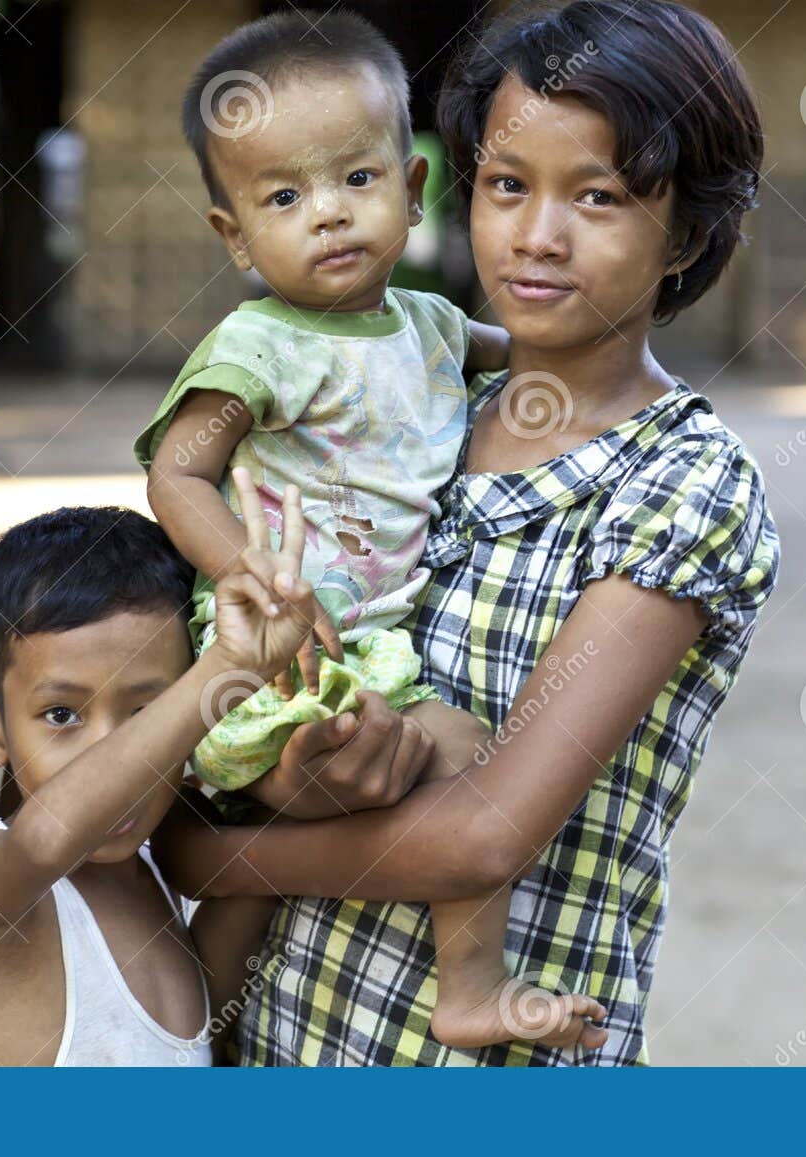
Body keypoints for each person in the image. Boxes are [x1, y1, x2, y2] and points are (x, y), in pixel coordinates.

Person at [154, 0, 782, 1066]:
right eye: (508, 185)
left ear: (684, 230)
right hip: (279, 1039)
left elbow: (487, 829)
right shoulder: (417, 408)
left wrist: (210, 855)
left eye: (600, 195)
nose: (537, 235)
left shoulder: (684, 482)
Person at [139, 10, 609, 1050]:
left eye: (357, 180)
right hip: (267, 649)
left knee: (265, 868)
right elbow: (176, 473)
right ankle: (197, 1055)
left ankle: (440, 991)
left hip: (369, 652)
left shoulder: (437, 326)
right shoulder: (258, 343)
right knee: (436, 760)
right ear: (234, 236)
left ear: (413, 186)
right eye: (282, 197)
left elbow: (545, 351)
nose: (329, 216)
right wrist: (244, 572)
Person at [0, 493, 334, 1066]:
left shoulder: (164, 872)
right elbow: (47, 837)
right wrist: (226, 668)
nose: (111, 752)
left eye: (147, 714)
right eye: (62, 715)